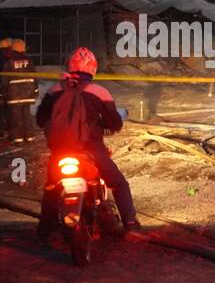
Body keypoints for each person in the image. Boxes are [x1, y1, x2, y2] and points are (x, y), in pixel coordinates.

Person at [36, 46, 139, 233]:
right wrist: (101, 125)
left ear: (70, 65)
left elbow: (40, 119)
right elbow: (114, 123)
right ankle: (131, 225)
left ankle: (45, 228)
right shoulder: (99, 91)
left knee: (51, 187)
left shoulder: (55, 89)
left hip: (60, 151)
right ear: (93, 68)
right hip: (91, 149)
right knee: (119, 184)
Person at [3, 39, 38, 143]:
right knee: (27, 116)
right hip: (27, 94)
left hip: (14, 96)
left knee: (15, 117)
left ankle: (18, 139)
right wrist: (35, 91)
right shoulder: (29, 62)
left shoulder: (9, 63)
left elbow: (4, 81)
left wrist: (2, 95)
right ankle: (29, 137)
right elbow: (34, 78)